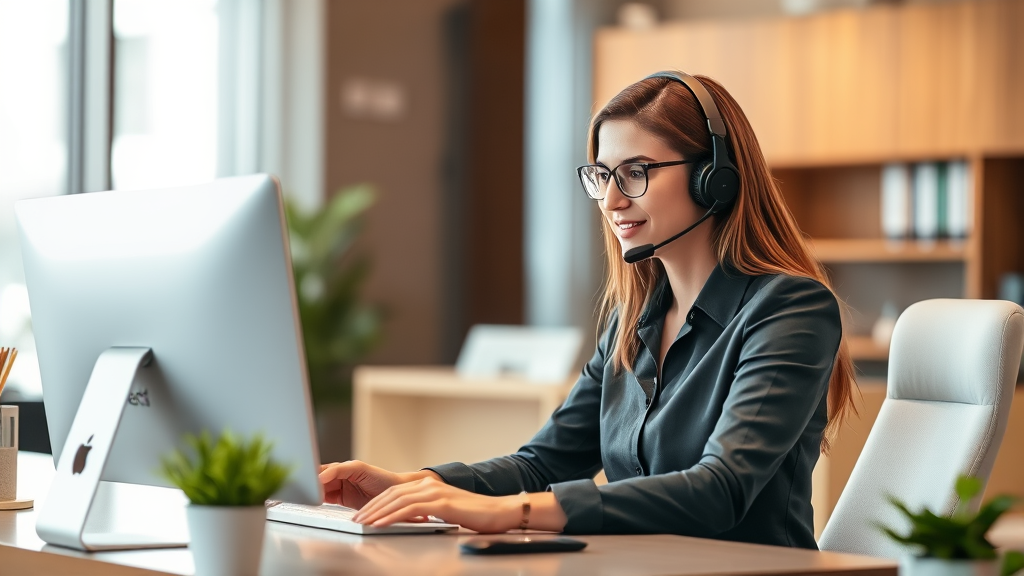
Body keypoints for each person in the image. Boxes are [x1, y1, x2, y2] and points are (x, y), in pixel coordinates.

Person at [319, 71, 857, 549]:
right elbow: (543, 463)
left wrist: (510, 514)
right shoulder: (634, 323)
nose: (612, 201)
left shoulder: (789, 309)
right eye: (602, 176)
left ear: (714, 178)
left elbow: (720, 488)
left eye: (636, 172)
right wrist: (418, 485)